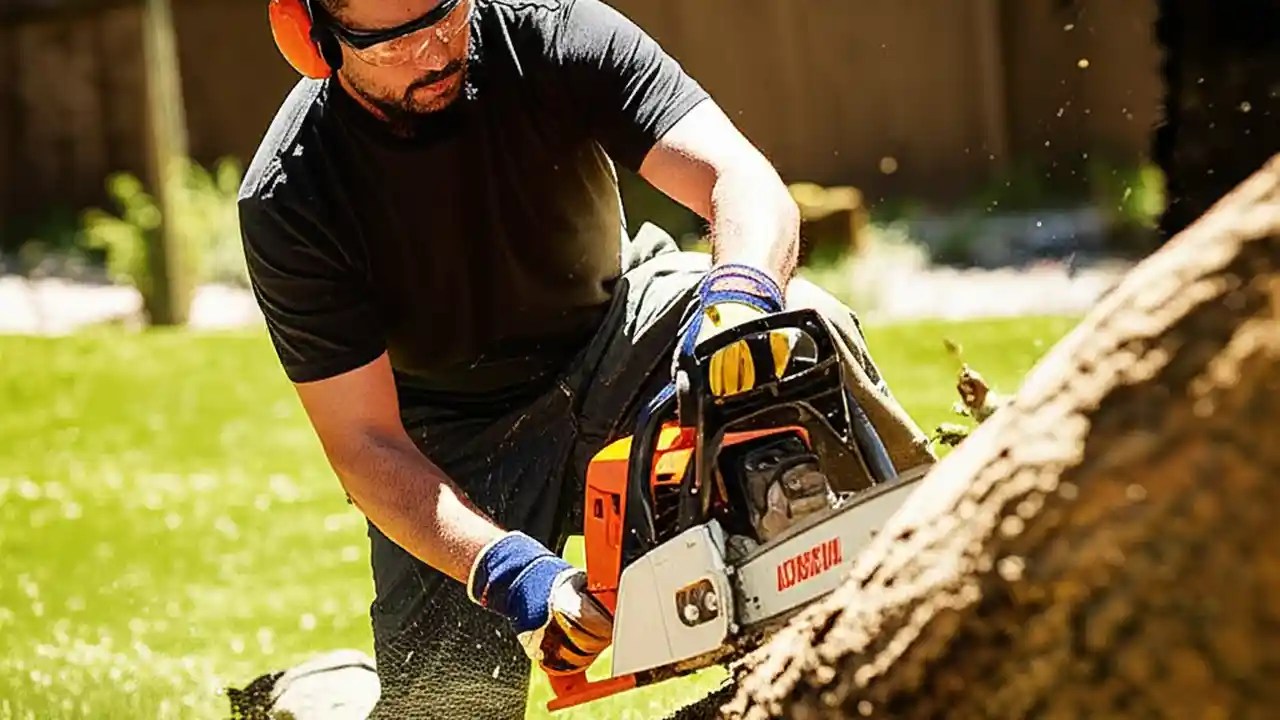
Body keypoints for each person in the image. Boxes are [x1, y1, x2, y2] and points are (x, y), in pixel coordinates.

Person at [238, 0, 937, 717]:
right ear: (314, 38)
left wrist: (742, 295)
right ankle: (325, 697)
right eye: (393, 42)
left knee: (799, 325)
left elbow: (742, 179)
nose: (436, 52)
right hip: (454, 445)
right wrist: (511, 571)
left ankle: (941, 560)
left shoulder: (556, 32)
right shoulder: (292, 194)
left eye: (446, 16)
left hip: (622, 338)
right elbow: (362, 442)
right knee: (448, 709)